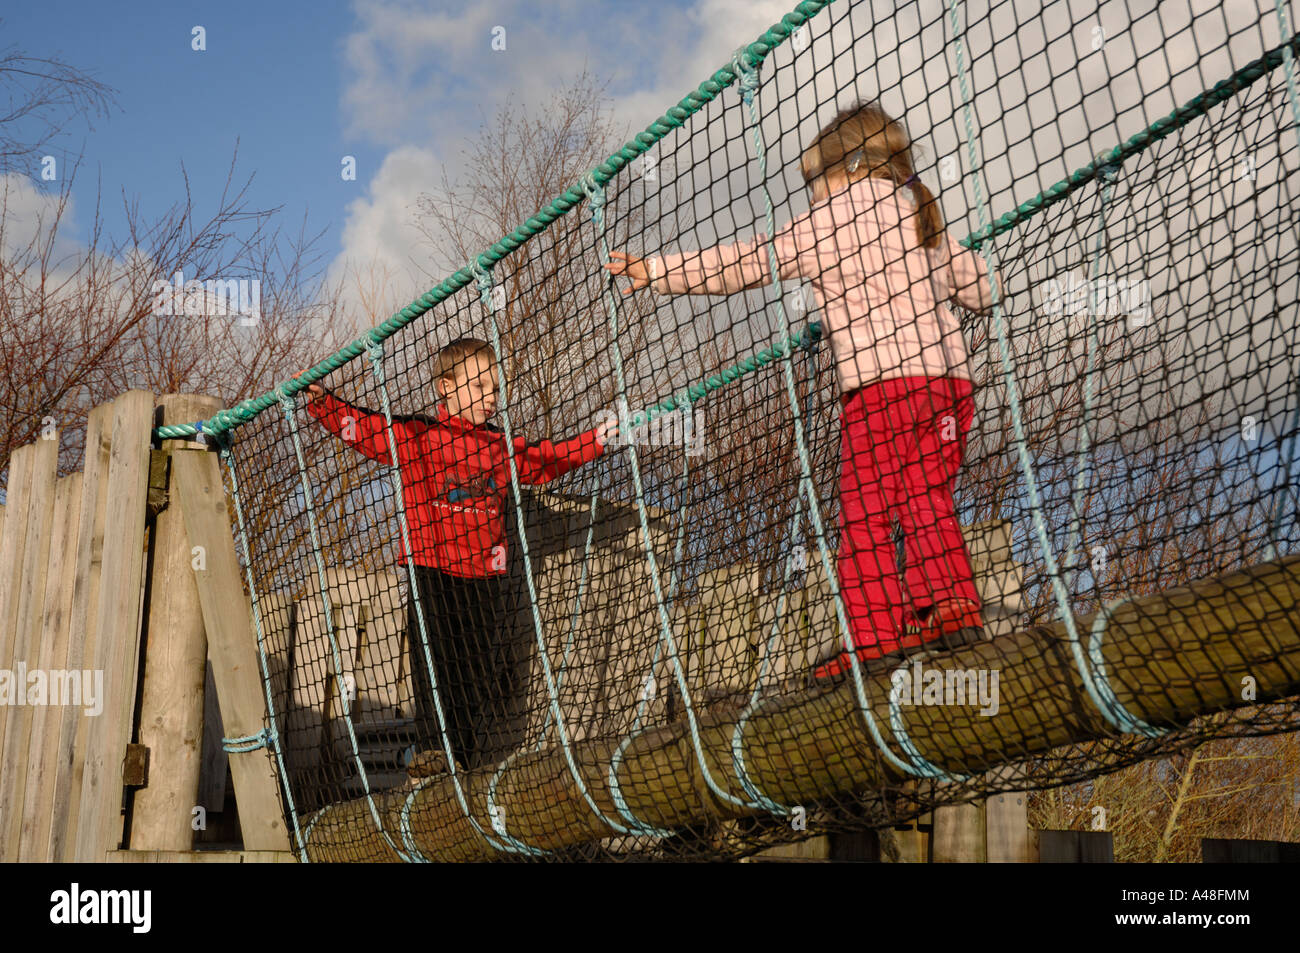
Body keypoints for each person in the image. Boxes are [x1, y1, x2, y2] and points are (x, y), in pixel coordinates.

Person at [605, 100, 1000, 679]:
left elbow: (744, 263)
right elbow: (983, 292)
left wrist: (656, 271)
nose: (812, 195)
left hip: (880, 389)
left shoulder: (828, 220)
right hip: (949, 388)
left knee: (864, 512)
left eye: (814, 181)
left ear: (848, 170)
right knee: (926, 498)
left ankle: (876, 639)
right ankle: (953, 607)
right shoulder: (922, 217)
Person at [298, 337, 613, 769]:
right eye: (481, 386)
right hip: (434, 571)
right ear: (446, 386)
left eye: (495, 388)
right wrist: (323, 404)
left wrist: (597, 439)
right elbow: (365, 429)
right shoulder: (417, 434)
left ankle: (469, 763)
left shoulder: (500, 445)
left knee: (479, 676)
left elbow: (547, 461)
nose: (491, 397)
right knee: (439, 668)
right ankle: (432, 753)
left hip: (487, 578)